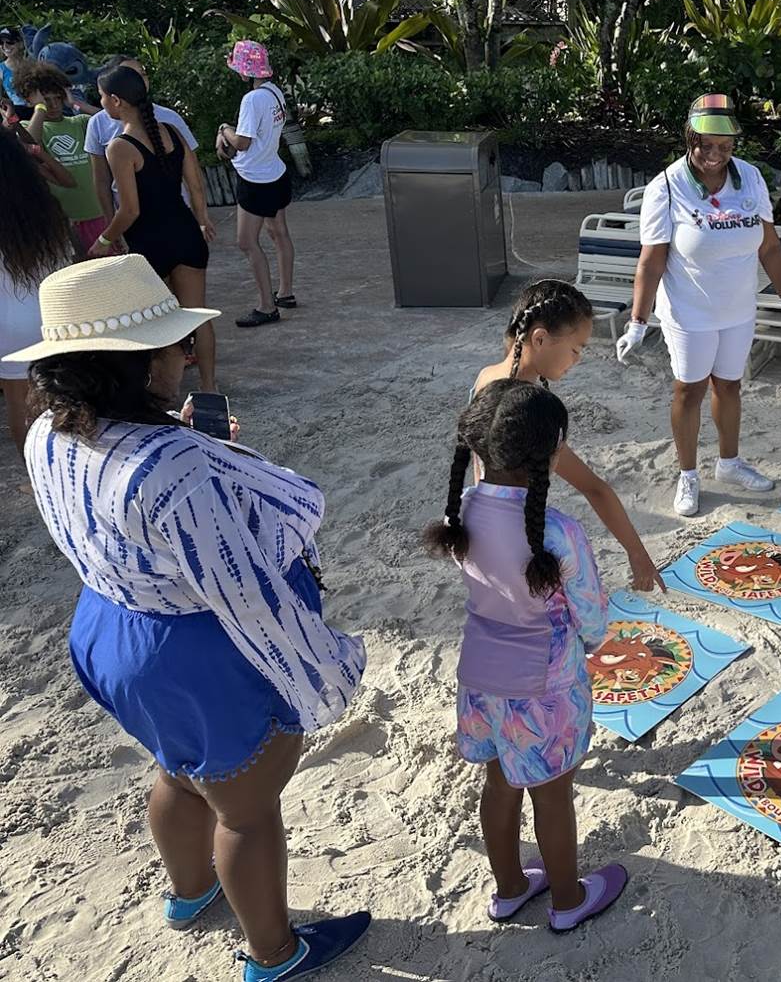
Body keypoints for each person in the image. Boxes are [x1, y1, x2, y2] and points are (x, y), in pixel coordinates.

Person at [8, 254, 372, 982]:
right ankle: (274, 953)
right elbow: (245, 592)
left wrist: (182, 438)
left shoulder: (46, 430)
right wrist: (320, 665)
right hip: (195, 651)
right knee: (246, 810)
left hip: (111, 630)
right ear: (141, 364)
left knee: (176, 769)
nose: (186, 353)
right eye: (174, 344)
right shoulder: (174, 464)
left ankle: (189, 892)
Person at [424, 378, 630, 931]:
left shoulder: (463, 508)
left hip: (480, 673)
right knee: (552, 794)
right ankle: (568, 900)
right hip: (546, 683)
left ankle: (510, 887)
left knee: (498, 783)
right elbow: (590, 613)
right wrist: (591, 644)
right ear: (552, 453)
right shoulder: (558, 532)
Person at [616, 93, 781, 517]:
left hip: (738, 309)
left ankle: (729, 463)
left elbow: (769, 246)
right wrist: (637, 321)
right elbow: (651, 261)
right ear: (690, 139)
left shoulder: (751, 179)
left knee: (729, 385)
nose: (715, 154)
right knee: (689, 390)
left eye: (724, 146)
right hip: (689, 311)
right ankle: (688, 475)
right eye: (705, 145)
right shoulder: (666, 187)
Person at [472, 279, 665, 592]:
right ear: (540, 338)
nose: (578, 359)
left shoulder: (486, 377)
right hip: (519, 548)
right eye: (576, 349)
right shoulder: (528, 412)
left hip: (483, 532)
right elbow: (593, 488)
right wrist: (637, 553)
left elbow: (477, 468)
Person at [94, 63, 219, 393]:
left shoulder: (119, 147)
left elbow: (130, 210)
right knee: (199, 317)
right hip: (186, 234)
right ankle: (209, 388)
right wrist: (202, 219)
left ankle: (163, 395)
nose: (101, 103)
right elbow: (196, 185)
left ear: (116, 101)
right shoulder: (172, 132)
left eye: (102, 97)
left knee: (159, 325)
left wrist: (105, 239)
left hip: (150, 244)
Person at [0, 127, 76, 468]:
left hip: (9, 323)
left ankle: (38, 477)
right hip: (56, 315)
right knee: (63, 399)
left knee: (20, 404)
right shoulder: (44, 206)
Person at [217, 40, 295, 329]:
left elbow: (242, 143)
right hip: (275, 172)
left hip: (254, 179)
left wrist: (224, 129)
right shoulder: (275, 92)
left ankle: (266, 306)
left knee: (246, 242)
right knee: (279, 232)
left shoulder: (251, 100)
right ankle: (285, 292)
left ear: (245, 71)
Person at [86, 54, 200, 219]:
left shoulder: (170, 118)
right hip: (134, 220)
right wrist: (111, 220)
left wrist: (201, 216)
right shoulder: (98, 123)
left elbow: (193, 174)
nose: (139, 80)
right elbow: (101, 179)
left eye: (143, 74)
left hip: (176, 212)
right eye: (130, 74)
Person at [21, 61, 112, 255]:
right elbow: (29, 143)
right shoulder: (27, 127)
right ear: (31, 101)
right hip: (66, 221)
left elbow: (114, 121)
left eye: (58, 98)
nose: (54, 105)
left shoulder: (80, 122)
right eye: (46, 100)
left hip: (101, 214)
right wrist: (39, 109)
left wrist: (76, 104)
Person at [1, 27, 30, 115]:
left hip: (37, 108)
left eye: (10, 42)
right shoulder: (1, 69)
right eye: (1, 43)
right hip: (15, 112)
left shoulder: (33, 65)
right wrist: (6, 115)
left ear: (21, 44)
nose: (5, 46)